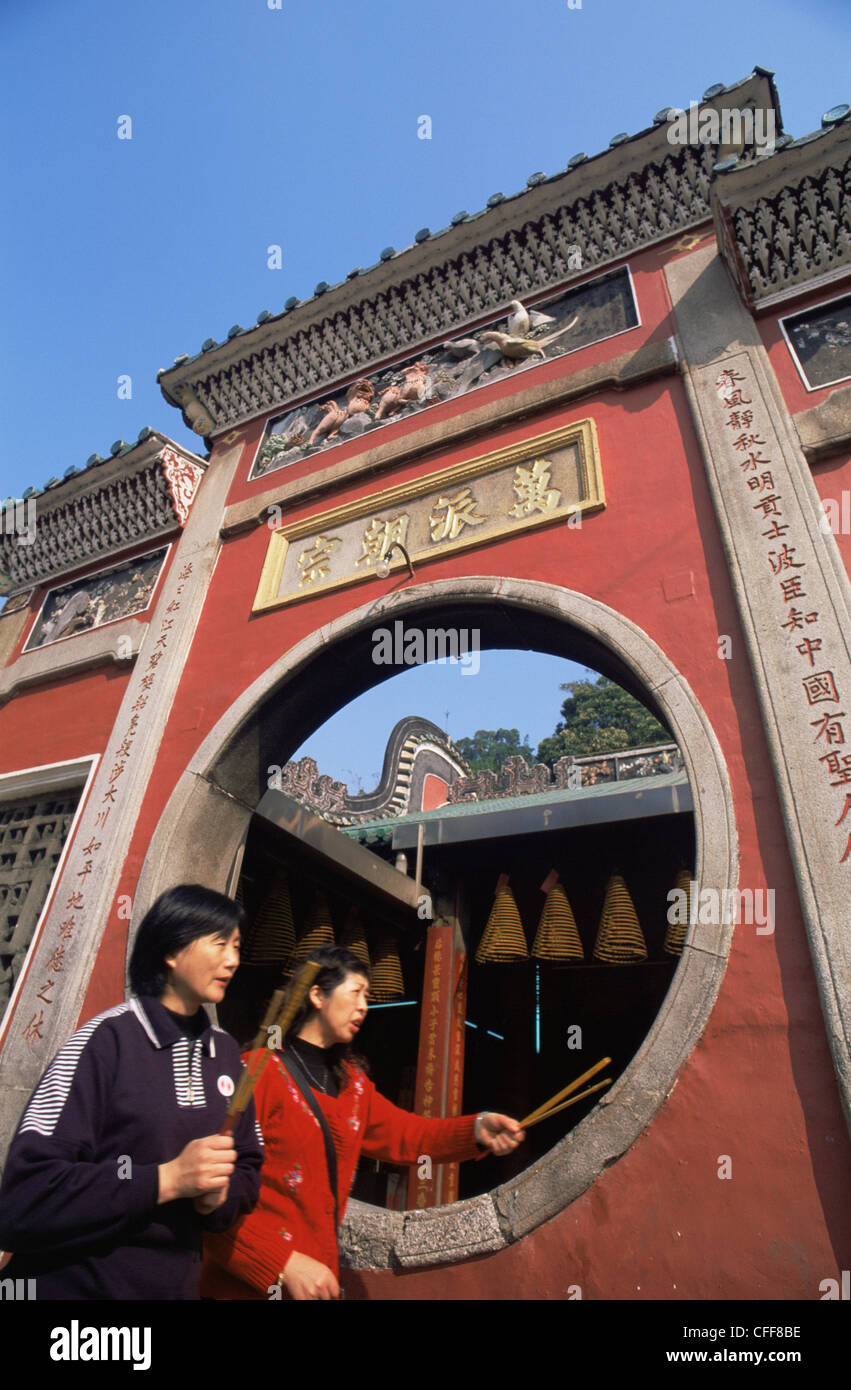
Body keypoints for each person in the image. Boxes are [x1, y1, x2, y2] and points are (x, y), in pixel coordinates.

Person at [202, 945, 525, 1301]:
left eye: (367, 997)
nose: (363, 1007)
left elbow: (410, 1136)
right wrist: (282, 1264)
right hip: (244, 1288)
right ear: (317, 995)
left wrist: (476, 1129)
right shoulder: (257, 1072)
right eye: (355, 992)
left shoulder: (352, 1085)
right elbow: (207, 1198)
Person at [0, 883, 263, 1299]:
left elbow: (249, 1164)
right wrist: (165, 1179)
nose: (232, 960)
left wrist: (220, 1197)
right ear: (172, 950)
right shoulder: (105, 1042)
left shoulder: (228, 1056)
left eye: (236, 946)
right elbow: (27, 1195)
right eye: (219, 944)